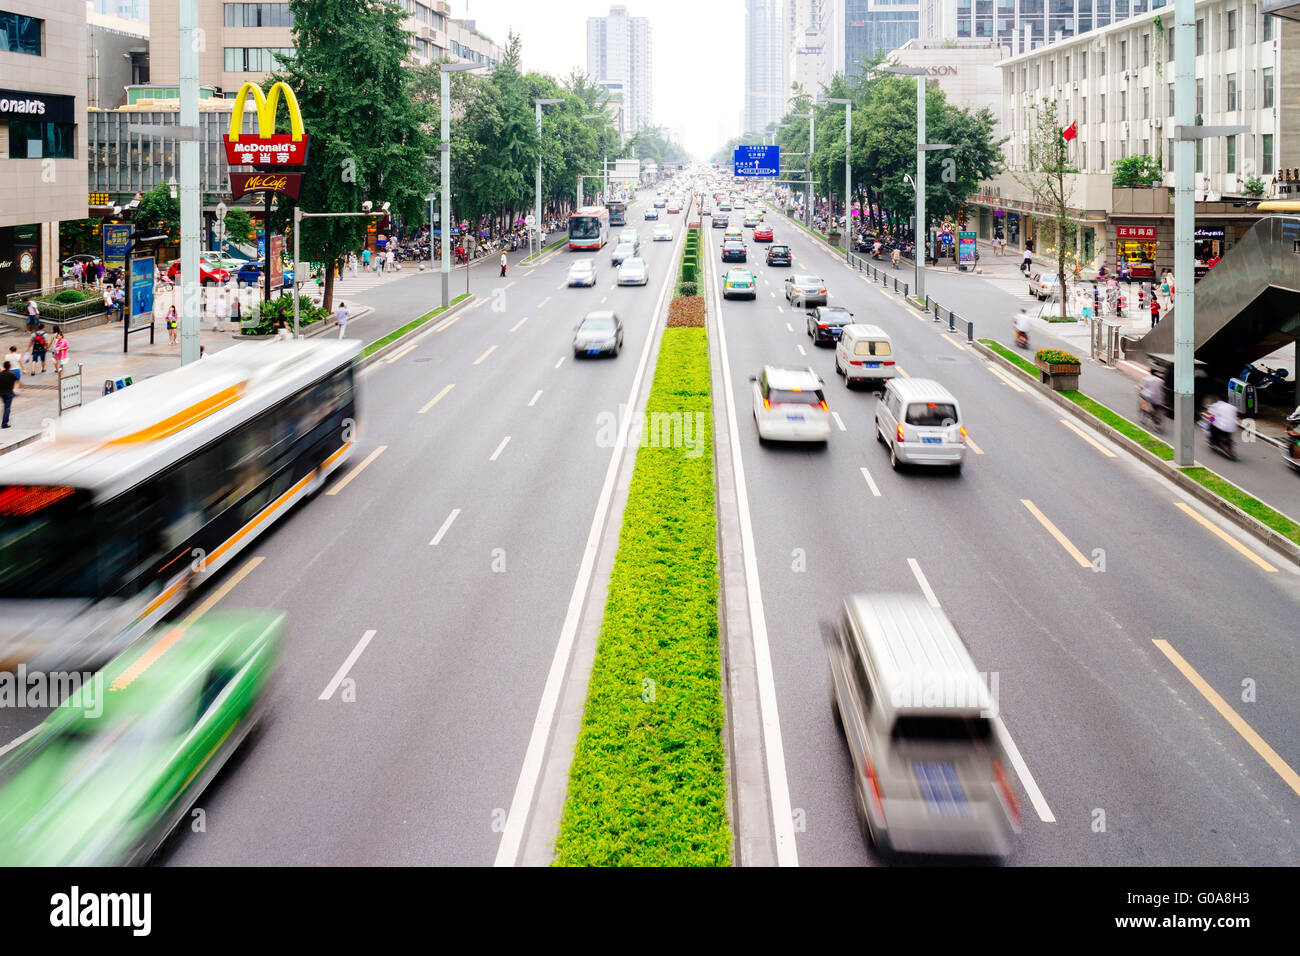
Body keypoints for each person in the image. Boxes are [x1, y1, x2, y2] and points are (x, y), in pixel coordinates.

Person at [0, 360, 16, 429]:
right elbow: (17, 381)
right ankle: (4, 423)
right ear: (9, 366)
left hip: (2, 393)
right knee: (7, 408)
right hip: (9, 393)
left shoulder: (0, 374)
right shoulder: (11, 374)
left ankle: (6, 419)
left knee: (6, 407)